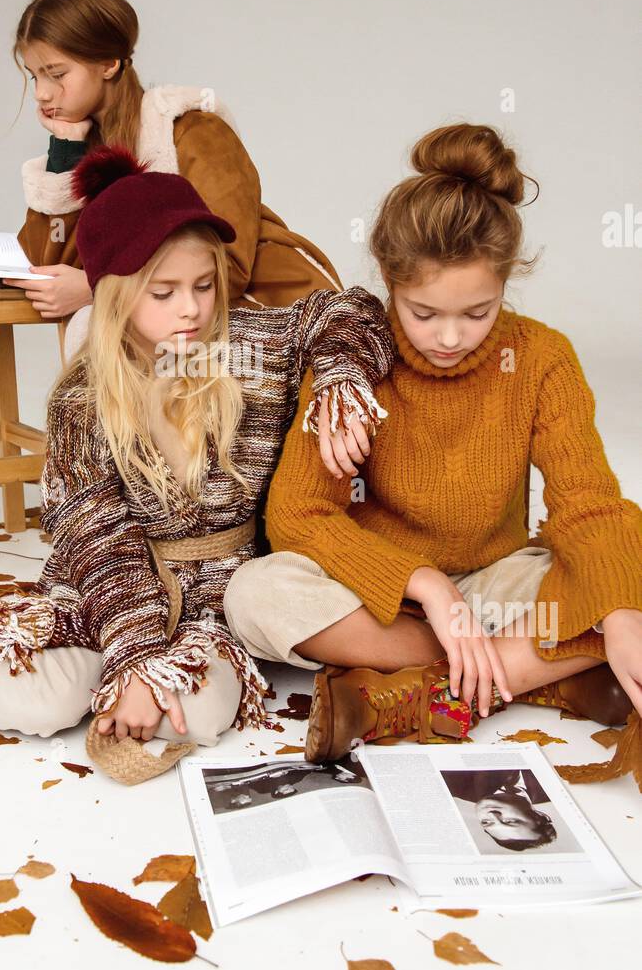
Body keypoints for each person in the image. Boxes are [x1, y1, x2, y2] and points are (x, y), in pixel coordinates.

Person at [0, 145, 396, 787]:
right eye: (164, 292)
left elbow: (349, 310)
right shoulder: (83, 401)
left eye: (203, 286)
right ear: (116, 294)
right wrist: (135, 662)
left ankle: (99, 684)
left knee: (195, 710)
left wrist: (339, 378)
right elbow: (100, 539)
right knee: (44, 704)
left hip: (218, 602)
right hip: (105, 590)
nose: (191, 308)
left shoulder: (249, 346)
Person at [223, 123, 642, 761]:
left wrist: (618, 611)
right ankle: (531, 675)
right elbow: (297, 516)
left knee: (626, 574)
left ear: (505, 285)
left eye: (478, 313)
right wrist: (427, 587)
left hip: (497, 582)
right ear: (391, 284)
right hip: (380, 597)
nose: (450, 338)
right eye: (424, 314)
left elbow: (590, 505)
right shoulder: (354, 360)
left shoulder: (542, 358)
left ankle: (416, 691)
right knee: (254, 594)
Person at [0, 0, 344, 362]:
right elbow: (48, 265)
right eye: (35, 76)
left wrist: (99, 288)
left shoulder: (194, 130)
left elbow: (225, 264)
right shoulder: (87, 148)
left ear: (109, 64)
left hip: (266, 311)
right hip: (173, 329)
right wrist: (65, 150)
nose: (42, 93)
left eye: (57, 74)